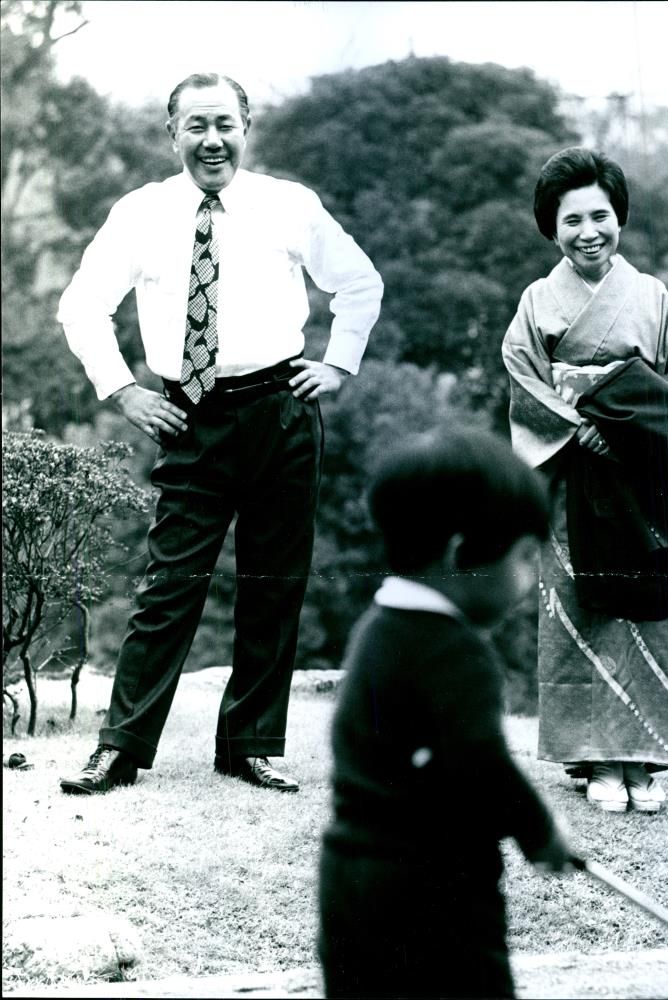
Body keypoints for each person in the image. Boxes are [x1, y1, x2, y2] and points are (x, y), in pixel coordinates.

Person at [57, 73, 383, 796]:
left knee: (273, 583)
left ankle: (250, 746)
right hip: (188, 415)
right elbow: (81, 306)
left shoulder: (289, 206)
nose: (213, 140)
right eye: (196, 125)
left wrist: (338, 364)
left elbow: (360, 284)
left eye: (225, 124)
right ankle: (120, 748)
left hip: (281, 409)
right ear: (172, 132)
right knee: (170, 584)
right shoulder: (141, 213)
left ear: (247, 125)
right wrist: (121, 390)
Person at [318, 427, 573, 999]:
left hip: (351, 885)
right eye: (527, 557)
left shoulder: (375, 632)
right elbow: (479, 760)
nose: (532, 582)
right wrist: (541, 832)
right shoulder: (456, 653)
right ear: (461, 553)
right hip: (435, 894)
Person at [502, 147, 668, 815]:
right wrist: (578, 424)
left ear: (618, 216)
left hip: (642, 475)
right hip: (572, 476)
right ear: (550, 228)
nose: (588, 232)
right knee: (580, 609)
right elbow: (522, 379)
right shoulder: (538, 300)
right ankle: (592, 758)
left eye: (600, 215)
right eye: (571, 221)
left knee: (644, 609)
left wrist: (629, 423)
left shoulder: (651, 296)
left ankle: (643, 759)